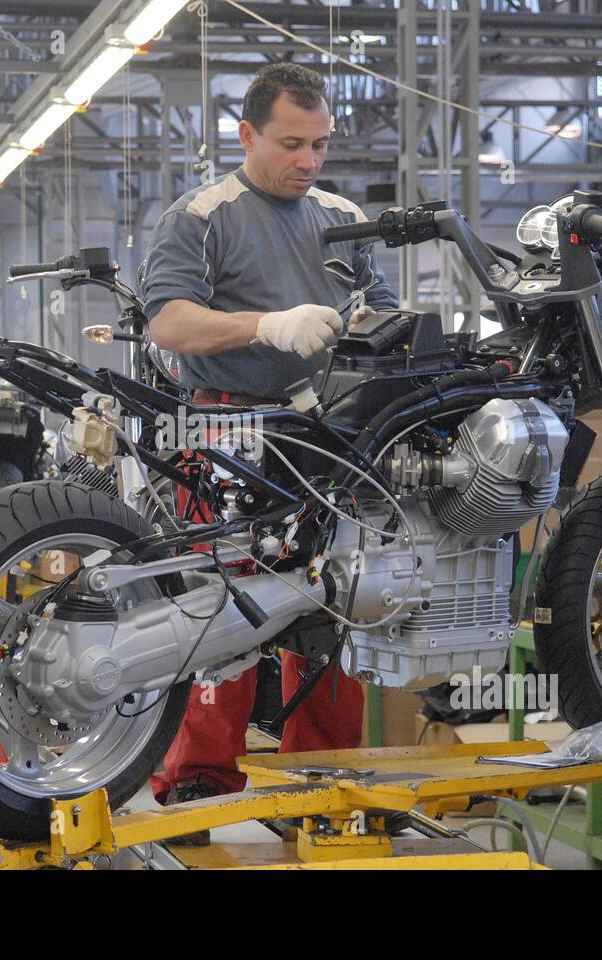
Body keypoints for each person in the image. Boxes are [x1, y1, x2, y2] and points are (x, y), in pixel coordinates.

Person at [139, 62, 399, 844]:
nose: (310, 161)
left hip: (327, 437)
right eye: (292, 143)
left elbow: (382, 315)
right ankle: (196, 780)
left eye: (321, 144)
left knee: (333, 605)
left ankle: (319, 779)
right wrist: (267, 326)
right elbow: (169, 323)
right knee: (223, 608)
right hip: (228, 433)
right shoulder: (205, 215)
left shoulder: (340, 214)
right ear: (246, 134)